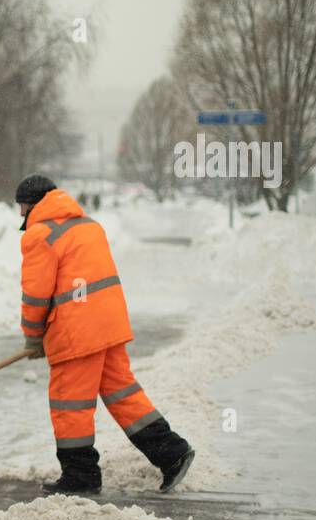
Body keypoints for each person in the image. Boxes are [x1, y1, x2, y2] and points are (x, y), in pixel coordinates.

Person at [15, 173, 196, 493]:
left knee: (69, 402)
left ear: (33, 205)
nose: (20, 215)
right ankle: (172, 453)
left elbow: (36, 296)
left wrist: (33, 336)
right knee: (122, 392)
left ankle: (80, 475)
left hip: (78, 334)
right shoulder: (88, 226)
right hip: (109, 324)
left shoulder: (39, 236)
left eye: (22, 207)